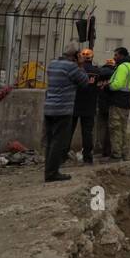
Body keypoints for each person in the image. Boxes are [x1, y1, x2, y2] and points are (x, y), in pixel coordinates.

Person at [43, 43, 91, 182]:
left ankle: (49, 170)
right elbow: (85, 82)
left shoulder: (52, 64)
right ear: (75, 55)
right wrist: (81, 65)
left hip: (49, 108)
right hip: (62, 110)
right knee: (59, 142)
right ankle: (52, 173)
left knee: (51, 141)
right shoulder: (71, 67)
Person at [104, 46, 130, 158]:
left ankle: (116, 153)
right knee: (123, 128)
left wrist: (107, 86)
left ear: (122, 56)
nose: (114, 57)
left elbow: (117, 84)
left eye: (116, 55)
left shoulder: (122, 67)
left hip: (118, 100)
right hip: (126, 101)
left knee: (115, 127)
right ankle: (123, 152)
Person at [68, 48, 99, 164]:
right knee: (87, 132)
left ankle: (63, 154)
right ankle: (87, 157)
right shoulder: (96, 72)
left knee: (69, 131)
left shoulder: (76, 70)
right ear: (92, 57)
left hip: (74, 104)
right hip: (89, 105)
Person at [95, 56, 116, 158]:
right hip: (110, 104)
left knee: (100, 127)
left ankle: (98, 148)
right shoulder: (114, 74)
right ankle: (107, 150)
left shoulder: (99, 74)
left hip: (100, 103)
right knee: (109, 128)